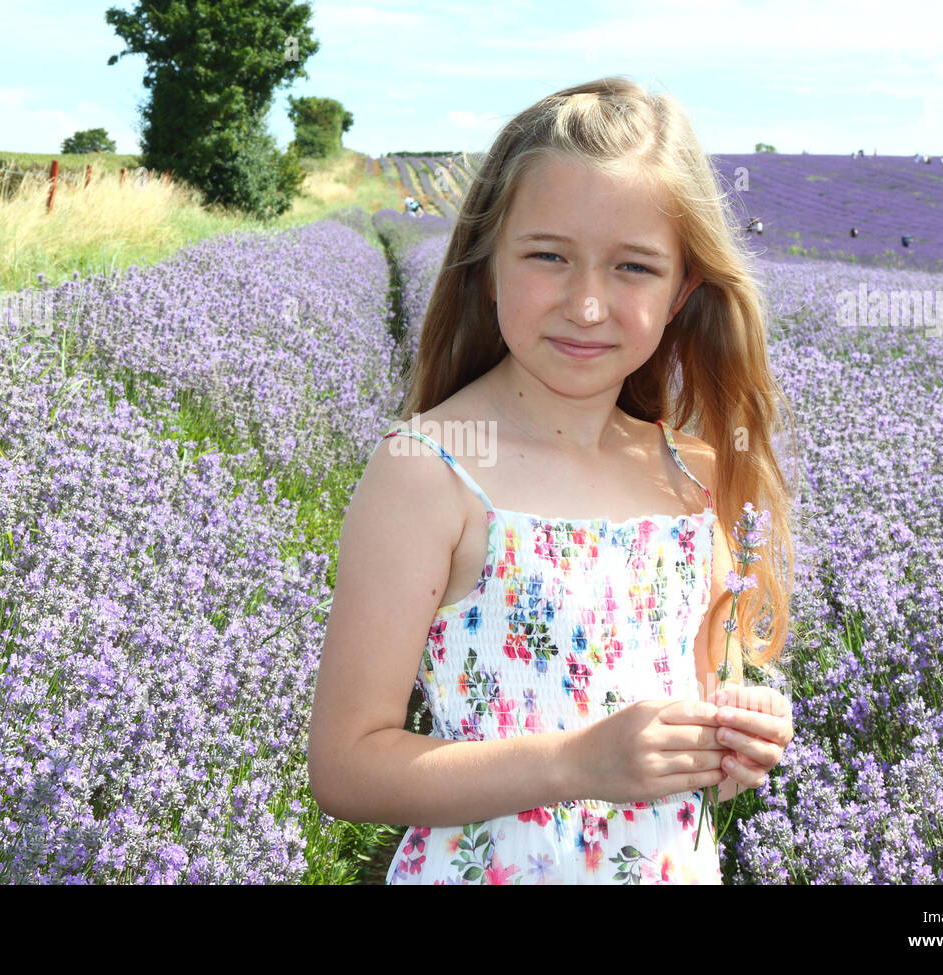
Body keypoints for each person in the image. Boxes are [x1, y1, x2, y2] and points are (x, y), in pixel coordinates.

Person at [307, 78, 795, 885]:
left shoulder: (695, 480)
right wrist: (577, 762)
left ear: (683, 292)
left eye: (634, 267)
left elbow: (690, 709)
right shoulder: (428, 472)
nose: (588, 303)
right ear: (489, 262)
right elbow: (348, 765)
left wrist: (734, 737)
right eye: (548, 256)